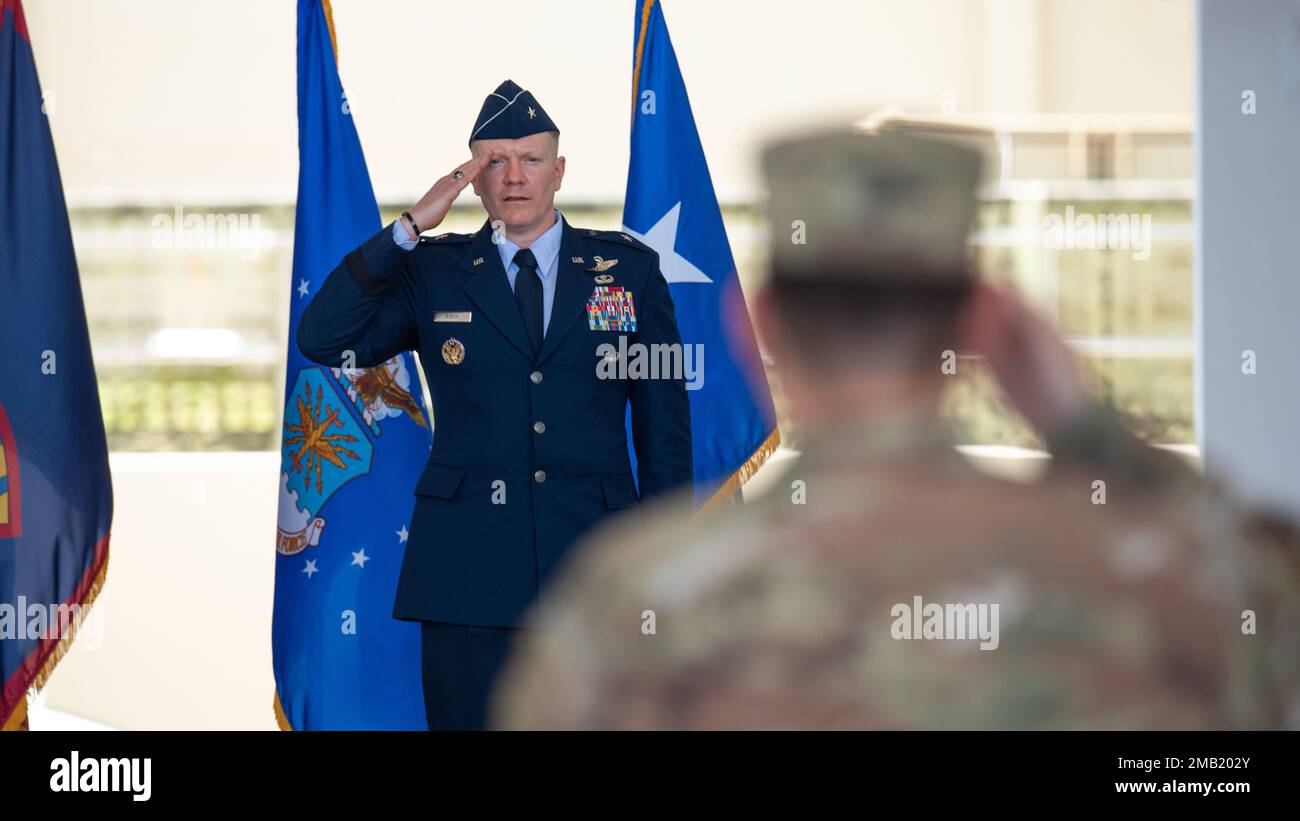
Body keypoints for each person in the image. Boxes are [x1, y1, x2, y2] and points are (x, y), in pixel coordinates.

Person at [489, 126, 1300, 730]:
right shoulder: (1158, 572)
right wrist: (1087, 430)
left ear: (753, 324)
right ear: (987, 325)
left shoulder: (639, 597)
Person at [296, 79, 693, 730]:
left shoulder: (628, 271)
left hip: (597, 573)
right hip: (464, 577)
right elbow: (323, 337)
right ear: (472, 180)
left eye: (531, 159)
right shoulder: (432, 271)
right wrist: (406, 229)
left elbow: (664, 433)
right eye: (494, 162)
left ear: (559, 170)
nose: (514, 177)